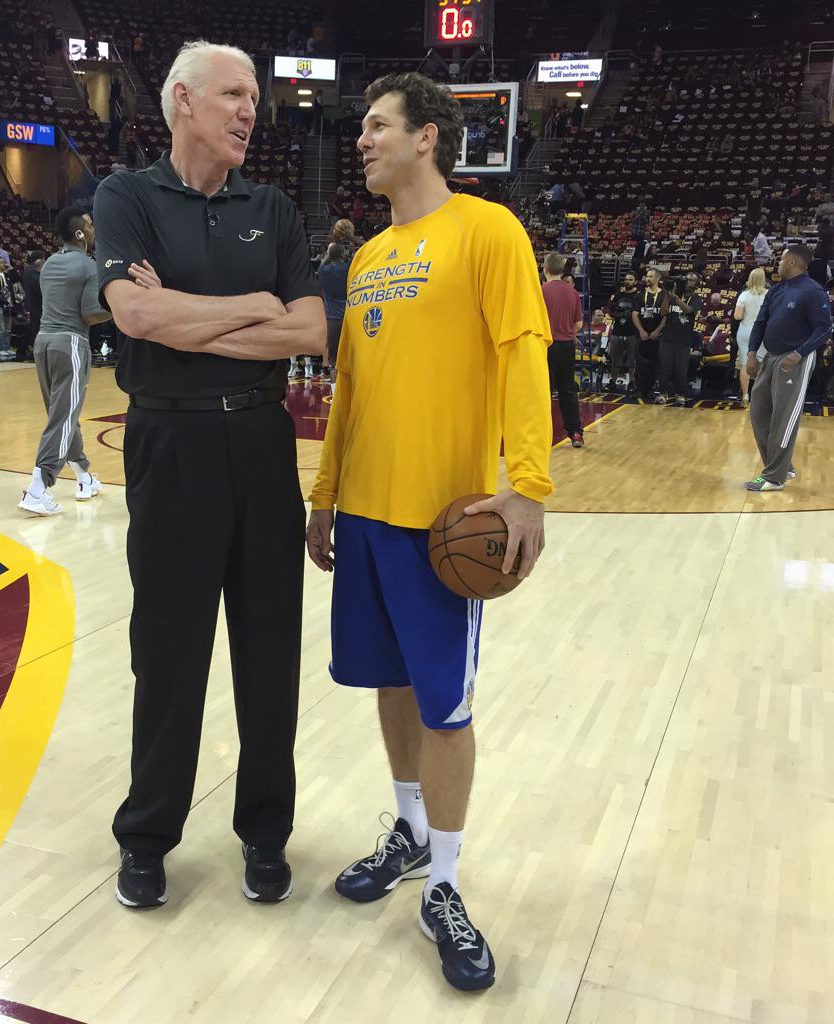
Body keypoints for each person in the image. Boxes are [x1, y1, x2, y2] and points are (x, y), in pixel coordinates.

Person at [306, 72, 552, 994]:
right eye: (362, 127)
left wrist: (527, 488)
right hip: (366, 517)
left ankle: (443, 884)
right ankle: (409, 831)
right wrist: (326, 493)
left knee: (445, 707)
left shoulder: (489, 231)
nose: (361, 139)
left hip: (444, 526)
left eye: (378, 126)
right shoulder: (368, 256)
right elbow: (350, 391)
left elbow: (523, 353)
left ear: (427, 138)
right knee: (391, 683)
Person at [94, 41, 325, 910]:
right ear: (183, 101)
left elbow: (308, 330)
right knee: (168, 651)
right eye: (233, 93)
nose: (250, 111)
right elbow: (134, 313)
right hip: (170, 442)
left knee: (270, 653)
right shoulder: (126, 196)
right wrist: (253, 307)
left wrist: (184, 318)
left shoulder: (273, 207)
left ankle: (265, 834)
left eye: (254, 97)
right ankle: (147, 836)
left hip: (262, 443)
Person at [19, 209, 110, 515]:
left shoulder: (49, 264)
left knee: (64, 415)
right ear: (80, 234)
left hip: (43, 343)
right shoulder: (88, 265)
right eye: (90, 225)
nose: (94, 230)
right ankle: (37, 489)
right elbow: (89, 314)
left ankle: (84, 476)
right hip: (70, 343)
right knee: (63, 418)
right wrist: (120, 308)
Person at [745, 244, 832, 491]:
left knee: (784, 418)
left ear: (793, 262)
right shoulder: (777, 289)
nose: (778, 263)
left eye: (781, 260)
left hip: (794, 359)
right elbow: (760, 322)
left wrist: (799, 353)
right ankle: (784, 467)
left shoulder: (813, 291)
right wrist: (751, 353)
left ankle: (774, 478)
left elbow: (824, 328)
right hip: (770, 356)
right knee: (759, 413)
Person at [542, 251, 585, 446]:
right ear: (562, 269)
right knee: (568, 390)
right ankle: (575, 433)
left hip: (545, 346)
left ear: (545, 269)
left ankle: (541, 434)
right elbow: (578, 324)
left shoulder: (539, 291)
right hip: (567, 345)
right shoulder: (572, 292)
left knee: (543, 391)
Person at [655, 273, 702, 406]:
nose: (687, 281)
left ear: (697, 284)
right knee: (665, 368)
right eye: (686, 279)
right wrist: (667, 296)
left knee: (681, 370)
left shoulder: (696, 298)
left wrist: (674, 297)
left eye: (691, 280)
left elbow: (689, 310)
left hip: (684, 339)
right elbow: (663, 312)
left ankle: (680, 394)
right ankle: (662, 393)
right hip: (668, 337)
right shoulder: (672, 294)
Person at [734, 267, 768, 405]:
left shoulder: (744, 295)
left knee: (744, 363)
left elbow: (737, 316)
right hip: (762, 331)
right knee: (763, 364)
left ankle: (745, 396)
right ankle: (760, 396)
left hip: (745, 331)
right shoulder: (769, 294)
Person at [318, 241, 351, 381]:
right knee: (352, 359)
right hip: (349, 318)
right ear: (342, 254)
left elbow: (322, 263)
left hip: (332, 319)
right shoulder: (348, 268)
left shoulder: (323, 271)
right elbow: (351, 259)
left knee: (333, 362)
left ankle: (334, 391)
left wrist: (328, 255)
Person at [632, 268, 666, 401]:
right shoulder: (640, 295)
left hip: (658, 336)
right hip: (642, 335)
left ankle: (651, 389)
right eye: (647, 276)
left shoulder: (664, 295)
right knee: (640, 364)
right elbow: (635, 314)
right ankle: (640, 389)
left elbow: (666, 316)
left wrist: (658, 331)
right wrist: (641, 330)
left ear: (658, 278)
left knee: (654, 364)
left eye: (651, 276)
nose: (648, 279)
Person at [607, 270, 640, 391]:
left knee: (632, 360)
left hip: (633, 332)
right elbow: (610, 311)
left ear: (635, 281)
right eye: (626, 279)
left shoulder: (639, 295)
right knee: (615, 359)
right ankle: (612, 382)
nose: (627, 281)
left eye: (630, 280)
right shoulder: (618, 295)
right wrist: (618, 314)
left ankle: (632, 382)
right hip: (617, 331)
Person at [0, 256, 15, 360]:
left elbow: (16, 279)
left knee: (8, 328)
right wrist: (3, 299)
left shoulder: (7, 275)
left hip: (8, 304)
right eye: (1, 262)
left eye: (4, 262)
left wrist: (11, 269)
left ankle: (6, 347)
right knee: (1, 327)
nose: (3, 264)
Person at [22, 251, 45, 354]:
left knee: (32, 326)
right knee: (37, 327)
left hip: (29, 301)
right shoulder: (36, 274)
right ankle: (37, 349)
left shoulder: (27, 270)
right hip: (37, 303)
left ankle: (28, 348)